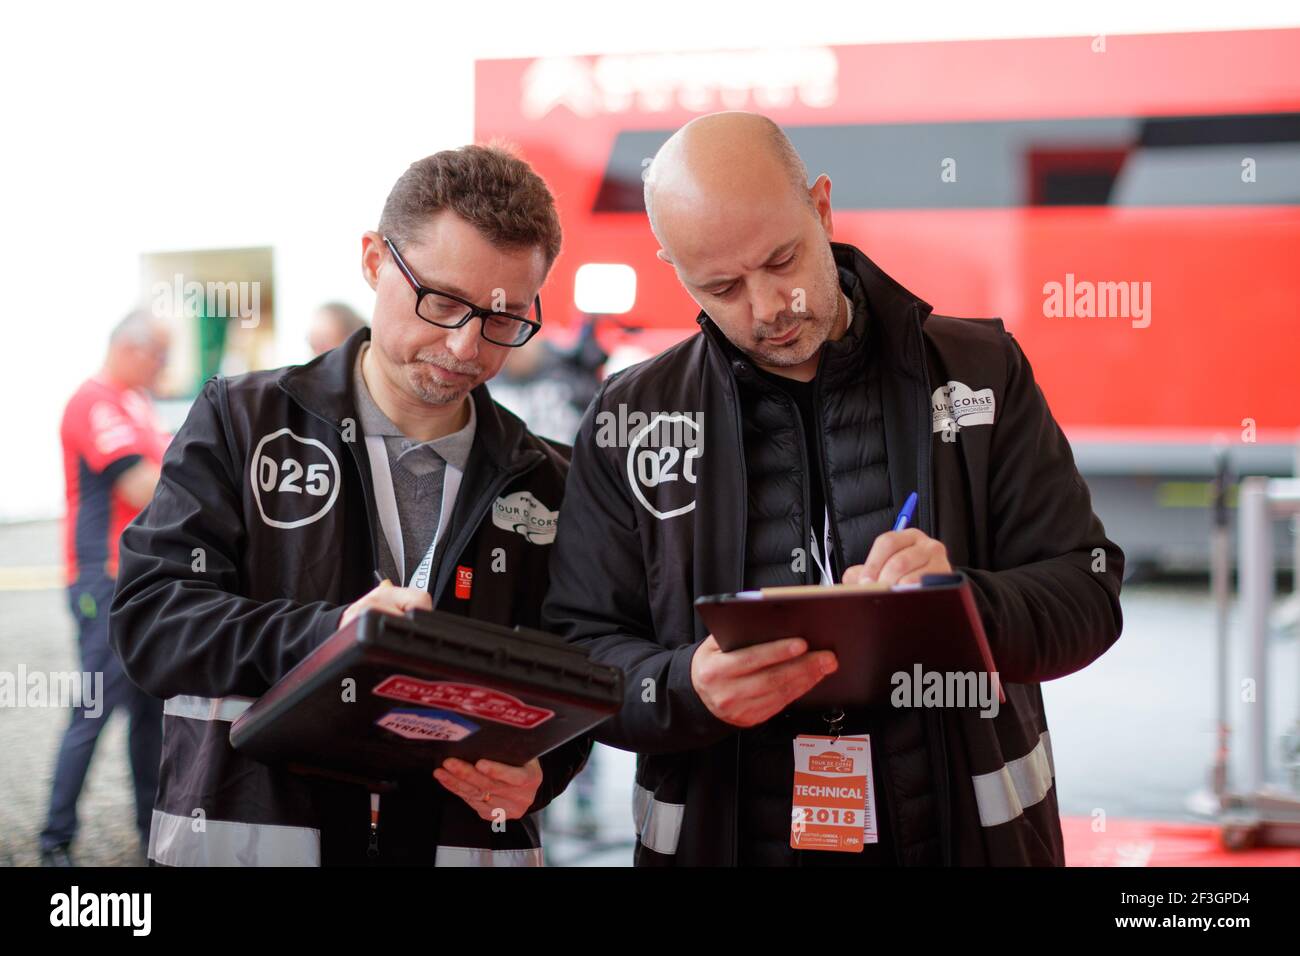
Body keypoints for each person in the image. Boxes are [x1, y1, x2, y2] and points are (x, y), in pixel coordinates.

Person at [542, 112, 1124, 866]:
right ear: (672, 266)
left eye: (782, 259)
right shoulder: (631, 418)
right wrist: (689, 687)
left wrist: (963, 605)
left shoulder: (980, 372)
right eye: (721, 285)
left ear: (821, 206)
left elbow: (1090, 593)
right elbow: (579, 652)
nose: (766, 308)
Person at [111, 145, 588, 866]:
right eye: (443, 301)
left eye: (504, 317)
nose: (465, 345)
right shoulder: (244, 421)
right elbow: (151, 622)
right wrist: (328, 638)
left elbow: (583, 672)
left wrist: (542, 774)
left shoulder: (549, 478)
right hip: (251, 843)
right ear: (373, 260)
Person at [42, 310, 171, 866]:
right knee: (93, 710)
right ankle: (54, 841)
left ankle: (154, 835)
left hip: (140, 581)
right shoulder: (95, 402)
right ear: (133, 349)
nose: (165, 367)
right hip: (104, 579)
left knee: (151, 714)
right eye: (160, 355)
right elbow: (144, 486)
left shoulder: (136, 403)